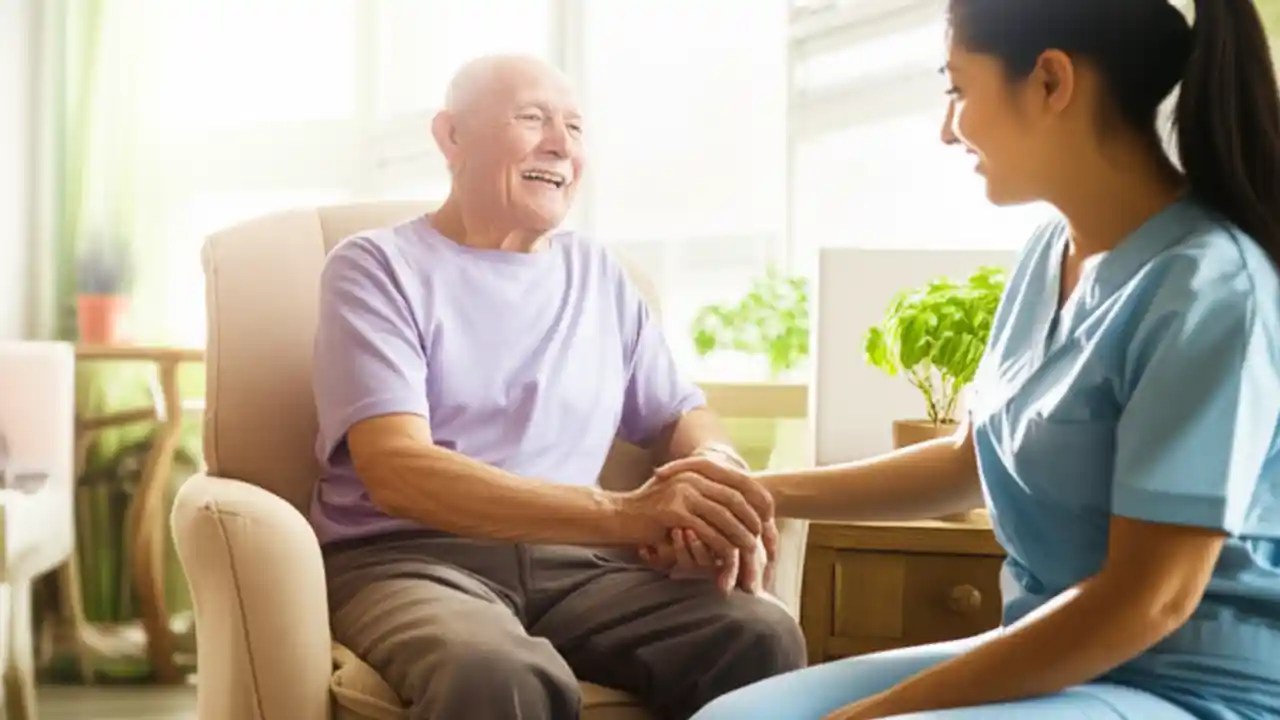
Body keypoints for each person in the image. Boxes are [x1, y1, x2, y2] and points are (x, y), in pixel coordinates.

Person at [674, 1, 1280, 718]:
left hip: (1187, 685)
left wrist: (869, 714)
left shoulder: (1210, 289)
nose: (946, 127)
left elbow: (1149, 601)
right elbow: (972, 459)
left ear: (1051, 82)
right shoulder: (1049, 252)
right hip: (1059, 660)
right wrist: (758, 495)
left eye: (958, 89)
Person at [307, 54, 804, 720]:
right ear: (450, 137)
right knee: (498, 674)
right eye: (533, 118)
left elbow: (681, 416)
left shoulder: (600, 275)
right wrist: (628, 515)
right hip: (407, 559)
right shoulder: (376, 267)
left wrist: (714, 476)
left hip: (578, 567)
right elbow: (397, 470)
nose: (561, 144)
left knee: (760, 636)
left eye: (574, 126)